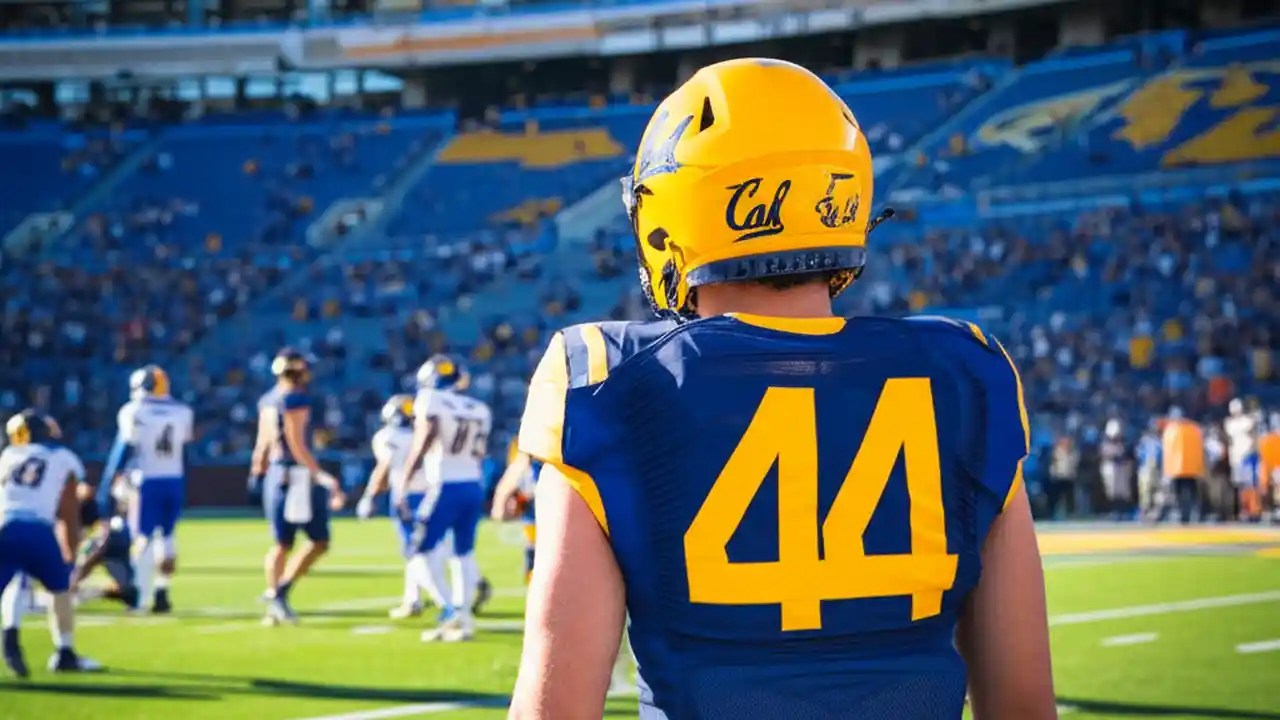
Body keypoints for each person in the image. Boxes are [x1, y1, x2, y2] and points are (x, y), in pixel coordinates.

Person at [508, 58, 1055, 720]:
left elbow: (554, 711)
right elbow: (1024, 705)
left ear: (675, 210)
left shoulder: (608, 382)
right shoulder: (968, 373)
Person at [249, 348, 346, 625]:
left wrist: (258, 470)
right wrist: (321, 475)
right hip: (297, 476)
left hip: (276, 473)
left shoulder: (268, 399)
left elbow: (262, 444)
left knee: (282, 543)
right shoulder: (294, 399)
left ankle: (275, 600)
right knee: (318, 540)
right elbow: (296, 444)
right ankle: (280, 593)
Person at [0, 410, 100, 676]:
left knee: (16, 581)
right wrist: (71, 545)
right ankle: (65, 652)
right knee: (60, 589)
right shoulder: (63, 456)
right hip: (38, 529)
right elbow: (73, 503)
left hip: (5, 526)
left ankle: (10, 635)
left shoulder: (8, 455)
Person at [400, 355, 491, 643]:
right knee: (463, 552)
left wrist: (405, 480)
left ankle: (450, 610)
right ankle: (463, 619)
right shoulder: (478, 408)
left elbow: (425, 437)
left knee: (418, 551)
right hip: (472, 484)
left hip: (444, 485)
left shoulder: (430, 399)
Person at [100, 365, 194, 613]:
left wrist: (108, 483)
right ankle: (162, 590)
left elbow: (123, 450)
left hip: (147, 480)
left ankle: (139, 597)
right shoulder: (182, 411)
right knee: (168, 537)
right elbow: (184, 452)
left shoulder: (134, 410)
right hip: (174, 479)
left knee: (142, 537)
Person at [357, 394, 434, 619]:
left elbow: (384, 467)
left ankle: (445, 599)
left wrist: (370, 495)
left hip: (407, 496)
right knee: (426, 549)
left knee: (415, 551)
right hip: (431, 492)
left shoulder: (388, 436)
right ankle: (413, 598)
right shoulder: (423, 433)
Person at [1162, 407, 1206, 525]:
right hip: (1191, 469)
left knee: (1179, 494)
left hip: (1176, 469)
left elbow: (1168, 452)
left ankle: (1183, 515)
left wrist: (1166, 472)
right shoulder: (1194, 429)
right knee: (1192, 494)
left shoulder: (1170, 431)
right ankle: (1194, 515)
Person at [1224, 398, 1262, 521]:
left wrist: (1254, 450)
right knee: (1240, 486)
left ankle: (1254, 511)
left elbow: (1253, 434)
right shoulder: (1229, 424)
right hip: (1236, 458)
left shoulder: (1247, 421)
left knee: (1250, 485)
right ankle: (1244, 511)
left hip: (1247, 456)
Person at [1099, 419, 1134, 519]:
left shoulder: (1124, 444)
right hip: (1111, 469)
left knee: (1123, 492)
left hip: (1122, 469)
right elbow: (1105, 455)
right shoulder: (1106, 444)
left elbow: (1128, 456)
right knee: (1112, 491)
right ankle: (1115, 511)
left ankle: (1123, 512)